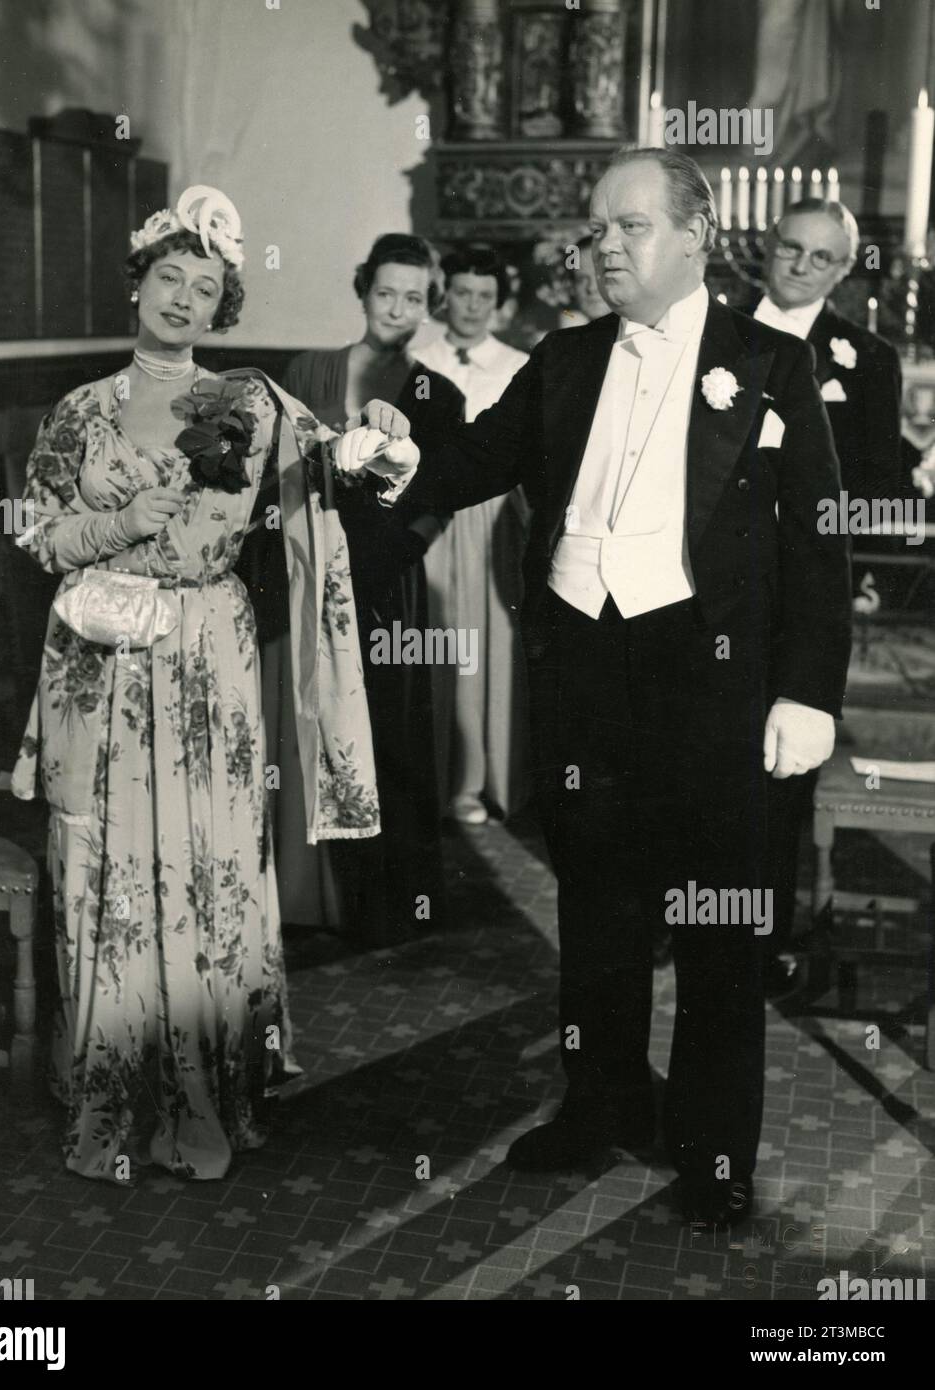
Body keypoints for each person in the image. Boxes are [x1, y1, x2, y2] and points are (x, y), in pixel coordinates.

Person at [371, 148, 852, 1226]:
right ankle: (600, 1101)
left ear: (695, 236)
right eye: (596, 230)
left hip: (711, 679)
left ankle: (715, 1150)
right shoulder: (565, 358)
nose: (606, 248)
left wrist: (806, 694)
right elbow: (469, 463)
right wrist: (394, 452)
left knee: (720, 928)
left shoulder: (767, 364)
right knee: (598, 909)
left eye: (629, 228)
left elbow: (820, 550)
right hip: (585, 671)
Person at [10, 188, 412, 1182]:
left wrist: (378, 439)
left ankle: (207, 1100)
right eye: (169, 279)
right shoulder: (80, 411)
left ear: (224, 305)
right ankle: (111, 1101)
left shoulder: (249, 401)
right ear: (136, 284)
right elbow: (40, 536)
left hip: (208, 660)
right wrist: (119, 525)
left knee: (207, 872)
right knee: (101, 874)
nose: (184, 299)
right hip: (96, 664)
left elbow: (340, 465)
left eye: (207, 286)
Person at [279, 233, 465, 944]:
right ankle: (310, 896)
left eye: (413, 297)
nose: (396, 308)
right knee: (310, 720)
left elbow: (438, 497)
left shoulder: (437, 394)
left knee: (387, 734)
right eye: (384, 292)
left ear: (429, 306)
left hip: (387, 582)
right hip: (309, 571)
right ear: (362, 290)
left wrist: (385, 556)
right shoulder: (307, 370)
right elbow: (281, 470)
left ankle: (387, 906)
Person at [752, 197, 905, 996]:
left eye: (820, 258)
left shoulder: (864, 359)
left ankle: (766, 932)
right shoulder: (708, 331)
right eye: (789, 250)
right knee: (694, 751)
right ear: (764, 250)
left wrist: (865, 573)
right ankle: (683, 915)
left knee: (789, 761)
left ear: (843, 271)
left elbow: (878, 480)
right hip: (702, 584)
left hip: (805, 591)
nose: (800, 267)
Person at [415, 246, 531, 824]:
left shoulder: (517, 364)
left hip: (491, 521)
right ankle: (436, 781)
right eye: (462, 293)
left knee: (489, 646)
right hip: (432, 518)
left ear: (499, 304)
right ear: (445, 296)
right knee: (435, 639)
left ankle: (488, 782)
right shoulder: (418, 358)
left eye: (485, 296)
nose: (472, 306)